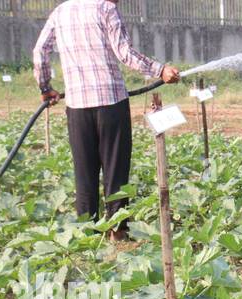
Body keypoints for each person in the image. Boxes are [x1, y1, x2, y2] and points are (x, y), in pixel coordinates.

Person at [33, 0, 180, 229]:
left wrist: (45, 88)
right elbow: (124, 53)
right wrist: (160, 70)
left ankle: (87, 232)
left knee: (84, 173)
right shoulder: (105, 9)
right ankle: (118, 231)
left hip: (77, 106)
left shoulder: (61, 11)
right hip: (111, 103)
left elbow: (40, 51)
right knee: (116, 170)